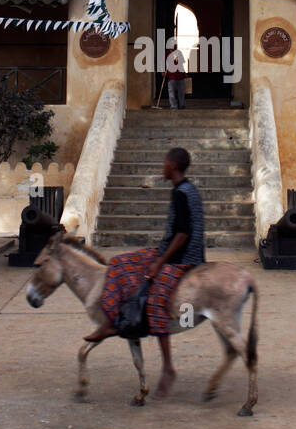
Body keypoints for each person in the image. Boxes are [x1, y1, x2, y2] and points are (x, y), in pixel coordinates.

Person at [86, 146, 206, 398]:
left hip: (183, 258)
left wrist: (159, 262)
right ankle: (112, 322)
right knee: (120, 264)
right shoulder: (184, 189)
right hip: (169, 252)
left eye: (164, 162)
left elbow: (183, 234)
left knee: (155, 301)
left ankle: (169, 367)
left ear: (173, 165)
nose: (162, 166)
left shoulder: (183, 193)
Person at [166, 44, 187, 109]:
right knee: (171, 92)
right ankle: (173, 106)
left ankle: (181, 104)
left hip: (180, 75)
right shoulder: (167, 53)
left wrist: (184, 72)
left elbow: (181, 63)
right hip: (171, 75)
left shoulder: (179, 52)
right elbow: (162, 63)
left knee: (181, 92)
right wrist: (162, 71)